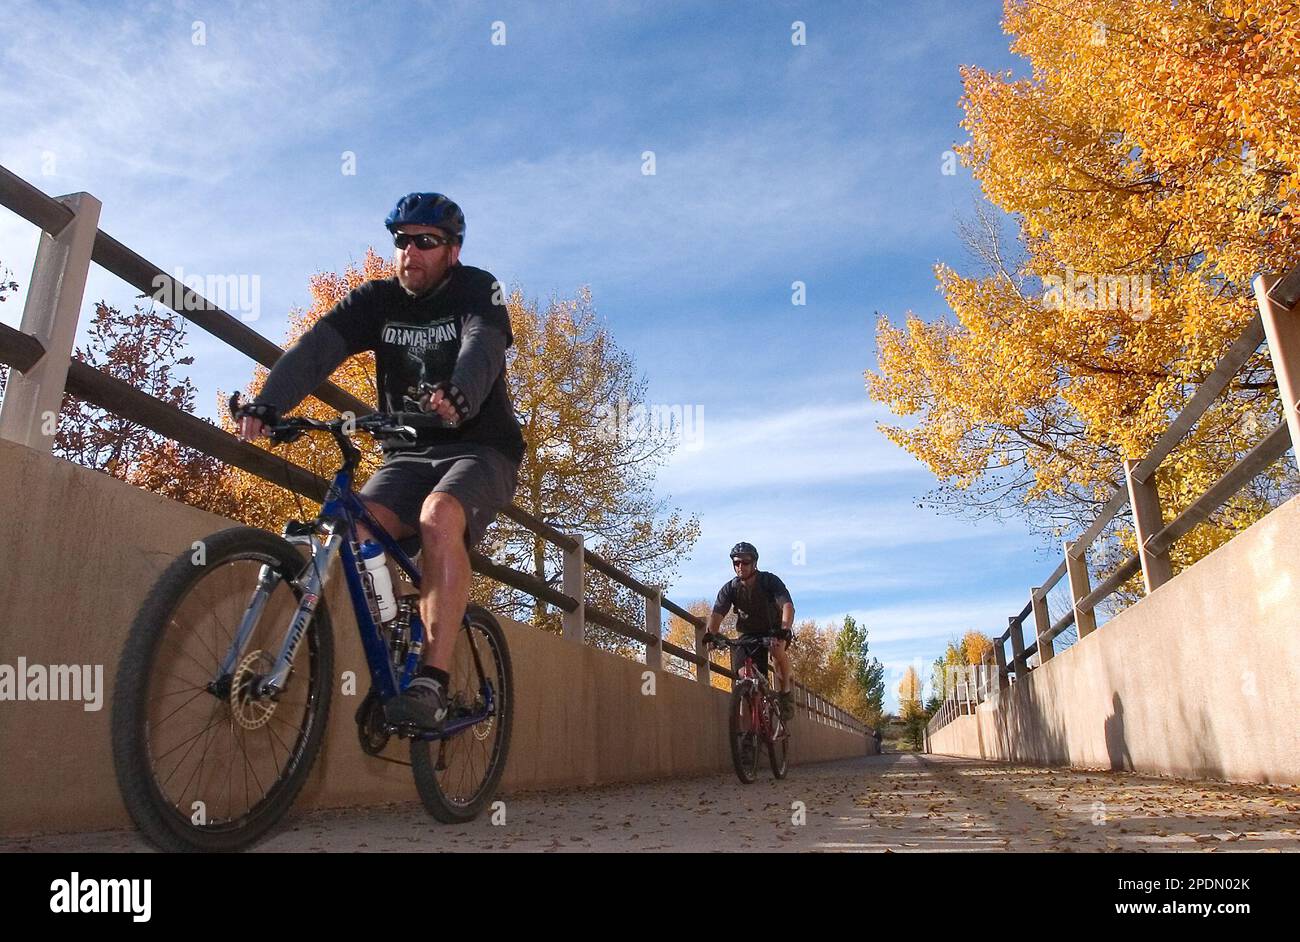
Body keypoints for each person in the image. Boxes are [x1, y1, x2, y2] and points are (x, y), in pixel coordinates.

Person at [235, 192, 524, 731]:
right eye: (402, 241)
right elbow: (316, 348)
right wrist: (269, 402)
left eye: (426, 242)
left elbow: (483, 344)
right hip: (409, 449)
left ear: (453, 251)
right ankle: (398, 645)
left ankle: (432, 681)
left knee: (440, 515)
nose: (410, 251)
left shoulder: (477, 288)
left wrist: (460, 393)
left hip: (482, 448)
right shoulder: (376, 300)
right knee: (357, 529)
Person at [702, 542, 796, 720]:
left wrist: (785, 629)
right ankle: (753, 724)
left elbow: (787, 605)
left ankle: (785, 695)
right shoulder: (730, 588)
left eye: (745, 562)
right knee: (743, 675)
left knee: (777, 651)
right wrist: (711, 635)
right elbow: (717, 613)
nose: (740, 566)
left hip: (775, 630)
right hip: (748, 635)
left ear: (754, 563)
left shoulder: (769, 581)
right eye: (737, 563)